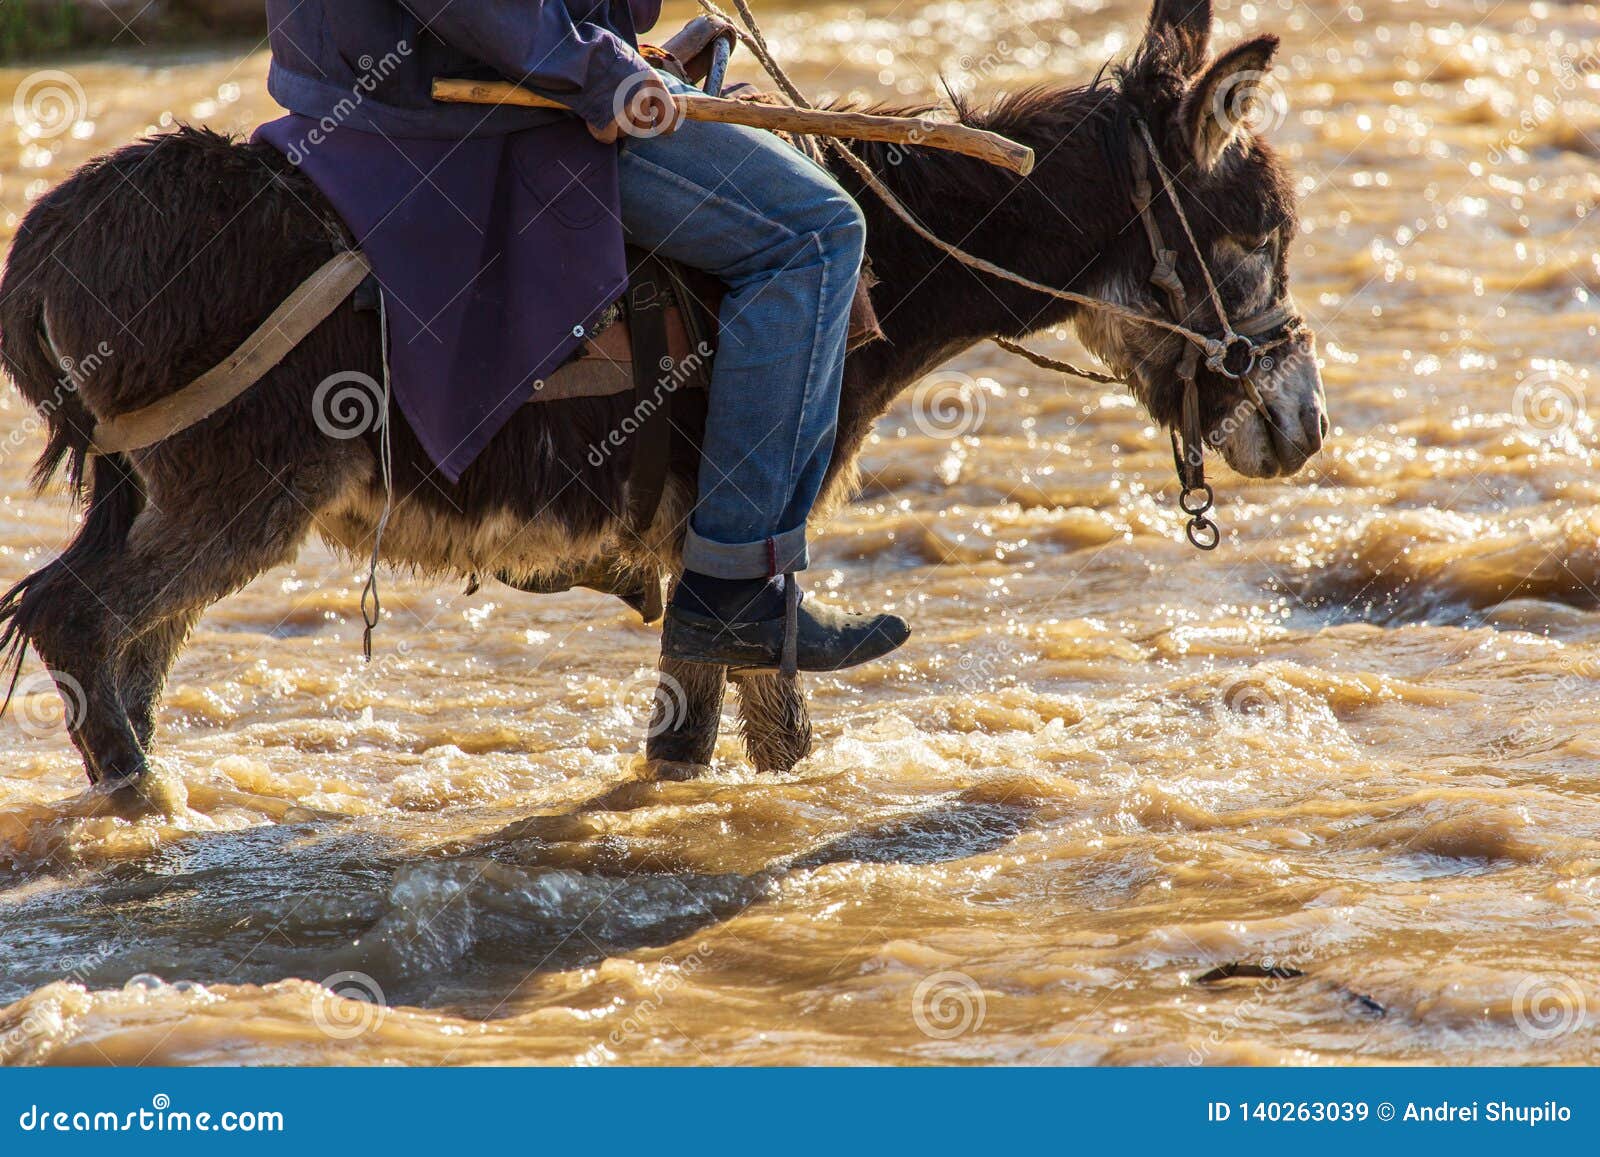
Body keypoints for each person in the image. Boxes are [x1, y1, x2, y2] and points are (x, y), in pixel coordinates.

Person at [262, 0, 910, 673]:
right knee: (818, 232)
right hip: (474, 113)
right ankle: (737, 587)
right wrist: (599, 73)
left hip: (377, 98)